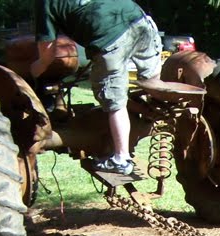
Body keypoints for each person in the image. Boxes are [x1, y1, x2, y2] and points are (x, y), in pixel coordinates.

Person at [31, 0, 163, 175]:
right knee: (153, 83)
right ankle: (156, 112)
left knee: (113, 98)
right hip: (141, 21)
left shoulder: (46, 3)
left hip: (111, 37)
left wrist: (34, 71)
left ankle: (121, 160)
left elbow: (48, 54)